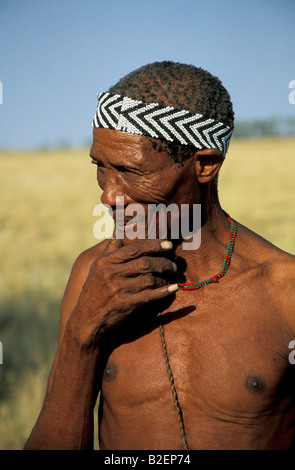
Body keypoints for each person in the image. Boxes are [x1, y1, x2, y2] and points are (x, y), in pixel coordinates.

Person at [24, 61, 295, 450]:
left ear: (204, 165)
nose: (108, 196)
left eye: (131, 172)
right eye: (100, 168)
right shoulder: (93, 275)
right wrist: (82, 334)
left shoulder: (284, 289)